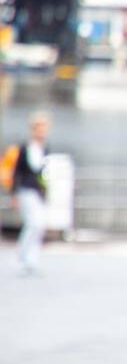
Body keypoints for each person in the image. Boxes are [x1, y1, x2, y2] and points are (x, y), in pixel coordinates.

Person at [10, 111, 51, 277]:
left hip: (37, 191)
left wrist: (45, 188)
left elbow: (43, 173)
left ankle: (32, 259)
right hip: (25, 190)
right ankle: (23, 255)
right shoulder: (25, 148)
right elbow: (17, 171)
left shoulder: (45, 148)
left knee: (39, 225)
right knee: (33, 223)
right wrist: (14, 193)